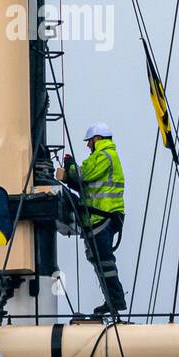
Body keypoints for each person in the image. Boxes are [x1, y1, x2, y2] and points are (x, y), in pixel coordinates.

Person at [55, 122, 126, 318]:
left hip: (103, 216)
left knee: (104, 260)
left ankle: (116, 299)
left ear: (97, 139)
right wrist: (70, 179)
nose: (87, 146)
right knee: (98, 259)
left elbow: (82, 174)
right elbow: (86, 185)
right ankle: (112, 300)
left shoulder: (103, 156)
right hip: (102, 215)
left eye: (89, 142)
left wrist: (69, 166)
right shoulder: (104, 157)